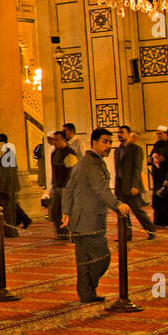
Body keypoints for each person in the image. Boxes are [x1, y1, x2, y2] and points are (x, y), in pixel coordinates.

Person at [61, 127, 133, 303]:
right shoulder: (92, 163)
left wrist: (67, 212)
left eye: (110, 142)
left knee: (84, 262)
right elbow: (100, 188)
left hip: (80, 220)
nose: (109, 145)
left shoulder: (85, 161)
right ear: (94, 142)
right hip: (89, 220)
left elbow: (69, 188)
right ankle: (88, 291)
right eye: (105, 142)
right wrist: (117, 205)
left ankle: (87, 294)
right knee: (102, 258)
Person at [114, 126, 157, 238]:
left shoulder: (136, 149)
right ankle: (126, 235)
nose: (119, 134)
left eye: (122, 132)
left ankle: (151, 231)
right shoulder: (117, 151)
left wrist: (134, 185)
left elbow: (137, 169)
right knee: (123, 213)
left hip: (132, 186)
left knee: (138, 211)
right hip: (120, 186)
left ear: (128, 134)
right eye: (118, 132)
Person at [0, 133, 26, 236]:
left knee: (8, 213)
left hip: (6, 190)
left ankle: (10, 232)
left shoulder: (9, 156)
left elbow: (9, 175)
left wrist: (6, 190)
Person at [48, 131, 75, 238]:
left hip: (66, 187)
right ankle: (61, 232)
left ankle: (71, 232)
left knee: (66, 211)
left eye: (57, 139)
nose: (54, 142)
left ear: (64, 139)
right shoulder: (55, 153)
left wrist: (69, 188)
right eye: (54, 139)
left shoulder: (69, 153)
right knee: (55, 211)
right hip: (57, 186)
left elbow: (72, 173)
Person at [150, 127, 168, 227]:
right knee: (156, 199)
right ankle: (158, 221)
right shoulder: (157, 144)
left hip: (165, 175)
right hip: (156, 176)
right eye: (157, 134)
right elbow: (151, 157)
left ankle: (166, 221)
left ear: (166, 134)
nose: (158, 136)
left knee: (165, 199)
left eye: (160, 134)